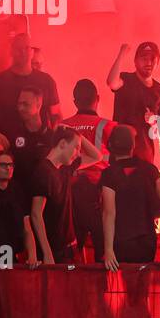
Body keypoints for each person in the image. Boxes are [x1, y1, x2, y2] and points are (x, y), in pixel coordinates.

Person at [29, 127, 103, 265]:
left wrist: (76, 134)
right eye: (76, 147)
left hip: (70, 247)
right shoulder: (43, 171)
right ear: (62, 144)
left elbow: (97, 156)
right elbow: (36, 214)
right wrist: (47, 253)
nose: (78, 153)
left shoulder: (65, 168)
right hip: (55, 251)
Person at [100, 124, 160, 269]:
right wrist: (153, 215)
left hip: (121, 240)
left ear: (111, 146)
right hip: (146, 239)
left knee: (123, 287)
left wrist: (107, 249)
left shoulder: (109, 174)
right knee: (142, 284)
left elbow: (109, 213)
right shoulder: (150, 169)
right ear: (132, 146)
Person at [64, 79, 113, 264]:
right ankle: (102, 289)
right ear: (97, 99)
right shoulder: (109, 126)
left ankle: (74, 288)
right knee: (103, 252)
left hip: (70, 193)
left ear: (75, 101)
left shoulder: (62, 127)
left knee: (73, 248)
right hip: (98, 195)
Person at [0, 33, 61, 132]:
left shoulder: (47, 81)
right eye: (18, 48)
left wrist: (54, 138)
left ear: (32, 52)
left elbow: (56, 115)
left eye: (27, 48)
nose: (23, 52)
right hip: (8, 143)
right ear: (11, 52)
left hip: (41, 143)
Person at [106, 41, 160, 164]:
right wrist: (121, 54)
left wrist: (154, 121)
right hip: (120, 152)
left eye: (152, 59)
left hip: (146, 157)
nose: (148, 63)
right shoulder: (126, 79)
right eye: (144, 58)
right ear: (135, 61)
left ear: (157, 62)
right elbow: (112, 82)